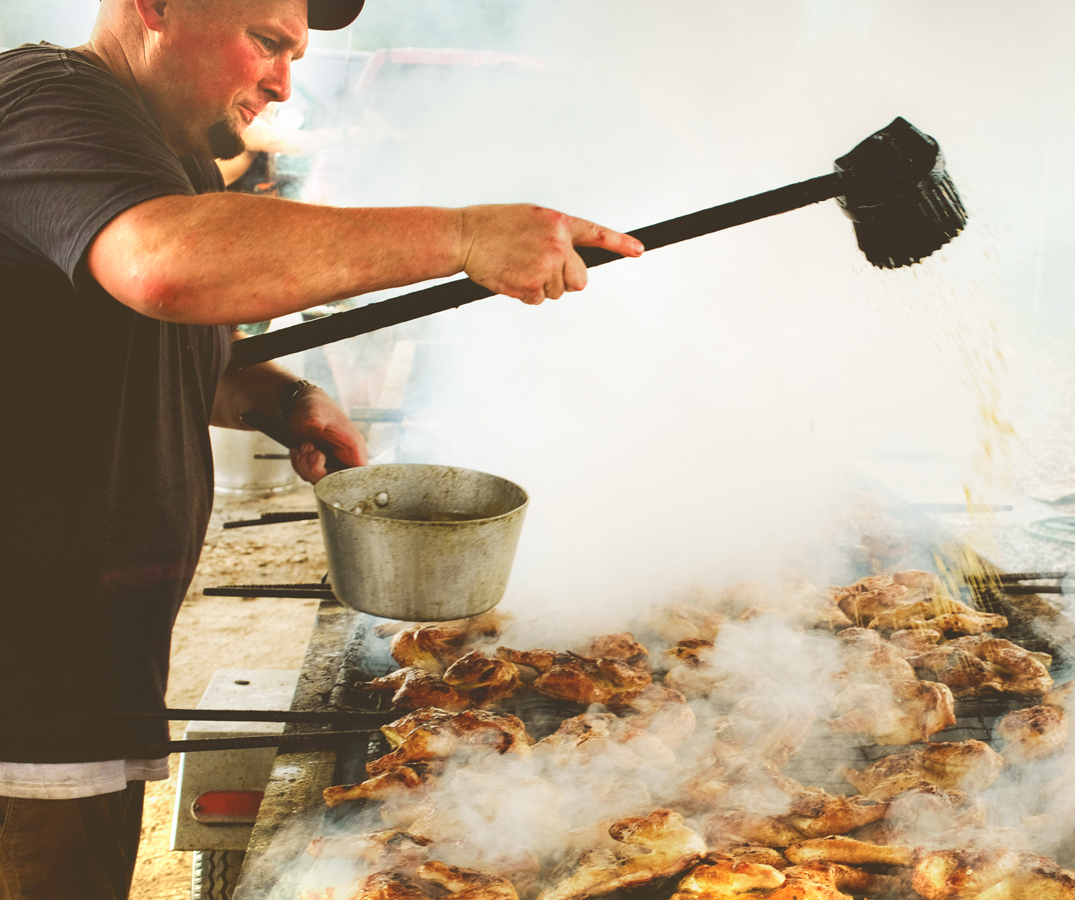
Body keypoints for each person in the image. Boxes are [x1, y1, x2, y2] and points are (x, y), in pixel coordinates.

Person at [0, 0, 643, 896]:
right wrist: (461, 236)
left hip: (89, 677)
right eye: (267, 42)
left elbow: (143, 338)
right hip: (23, 697)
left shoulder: (167, 149)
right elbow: (165, 266)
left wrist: (282, 399)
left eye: (294, 53)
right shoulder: (36, 102)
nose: (282, 80)